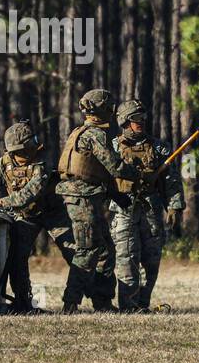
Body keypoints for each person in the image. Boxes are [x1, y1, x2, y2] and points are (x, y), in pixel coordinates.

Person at [55, 89, 141, 313]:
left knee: (105, 251)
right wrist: (138, 174)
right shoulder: (95, 134)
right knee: (88, 249)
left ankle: (102, 302)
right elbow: (113, 166)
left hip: (87, 196)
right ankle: (70, 303)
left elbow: (98, 172)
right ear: (103, 110)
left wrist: (116, 195)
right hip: (82, 198)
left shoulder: (80, 131)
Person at [0, 119, 66, 313]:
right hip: (26, 217)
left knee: (78, 254)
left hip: (54, 214)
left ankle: (81, 302)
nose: (32, 150)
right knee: (16, 259)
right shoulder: (1, 165)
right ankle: (24, 302)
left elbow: (31, 192)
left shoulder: (42, 163)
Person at [109, 99, 185, 311]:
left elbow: (171, 181)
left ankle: (142, 304)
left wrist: (174, 206)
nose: (141, 122)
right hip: (123, 211)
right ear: (124, 121)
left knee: (151, 261)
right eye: (135, 119)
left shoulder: (159, 148)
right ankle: (129, 306)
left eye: (143, 118)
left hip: (150, 210)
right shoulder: (112, 148)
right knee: (127, 258)